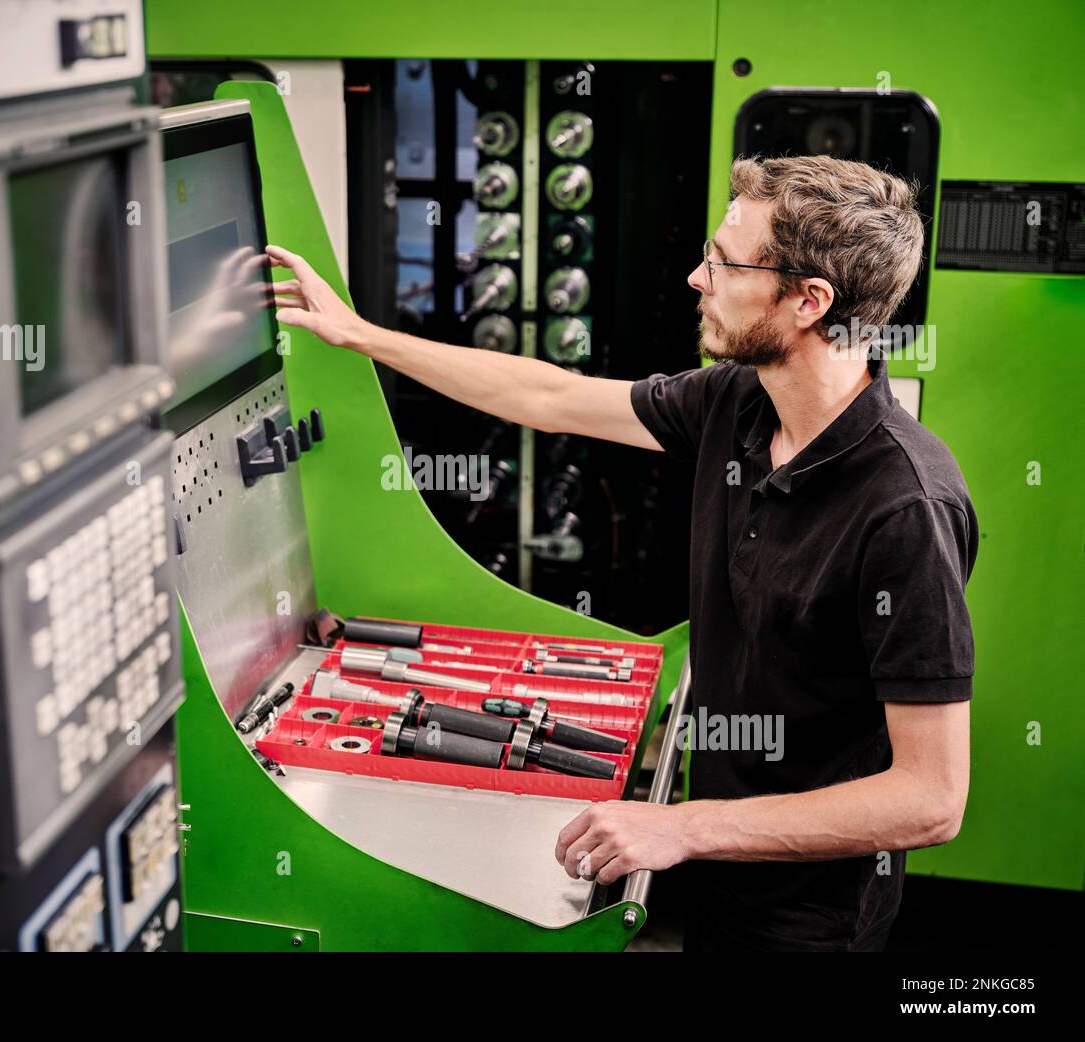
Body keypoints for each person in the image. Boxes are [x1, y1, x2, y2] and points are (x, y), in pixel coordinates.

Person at [265, 154, 977, 952]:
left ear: (810, 302)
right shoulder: (738, 402)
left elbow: (931, 799)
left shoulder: (906, 508)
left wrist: (684, 827)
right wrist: (361, 336)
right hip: (720, 879)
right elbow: (553, 397)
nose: (695, 278)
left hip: (808, 919)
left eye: (723, 261)